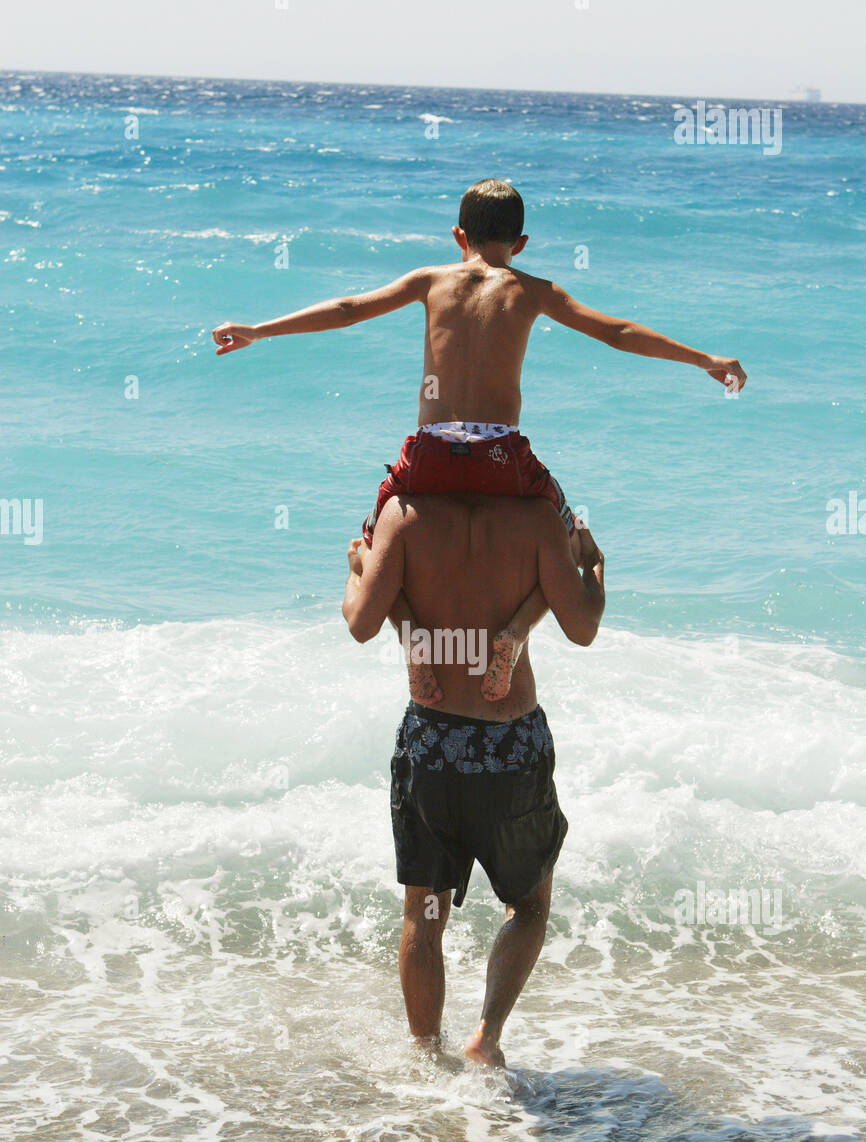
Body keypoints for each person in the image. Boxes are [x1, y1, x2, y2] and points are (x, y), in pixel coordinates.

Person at [213, 178, 746, 700]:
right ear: (521, 244)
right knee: (564, 533)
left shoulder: (430, 279)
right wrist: (704, 359)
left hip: (431, 452)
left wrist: (260, 330)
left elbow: (349, 309)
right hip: (501, 457)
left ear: (457, 235)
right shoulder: (535, 290)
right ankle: (513, 635)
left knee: (377, 537)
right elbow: (618, 332)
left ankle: (412, 642)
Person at [341, 489, 605, 1067]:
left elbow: (361, 623)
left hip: (433, 743)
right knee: (529, 907)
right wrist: (592, 566)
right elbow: (582, 627)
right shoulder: (536, 513)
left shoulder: (401, 514)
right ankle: (485, 1037)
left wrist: (359, 574)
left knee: (423, 913)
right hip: (510, 746)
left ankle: (425, 1058)